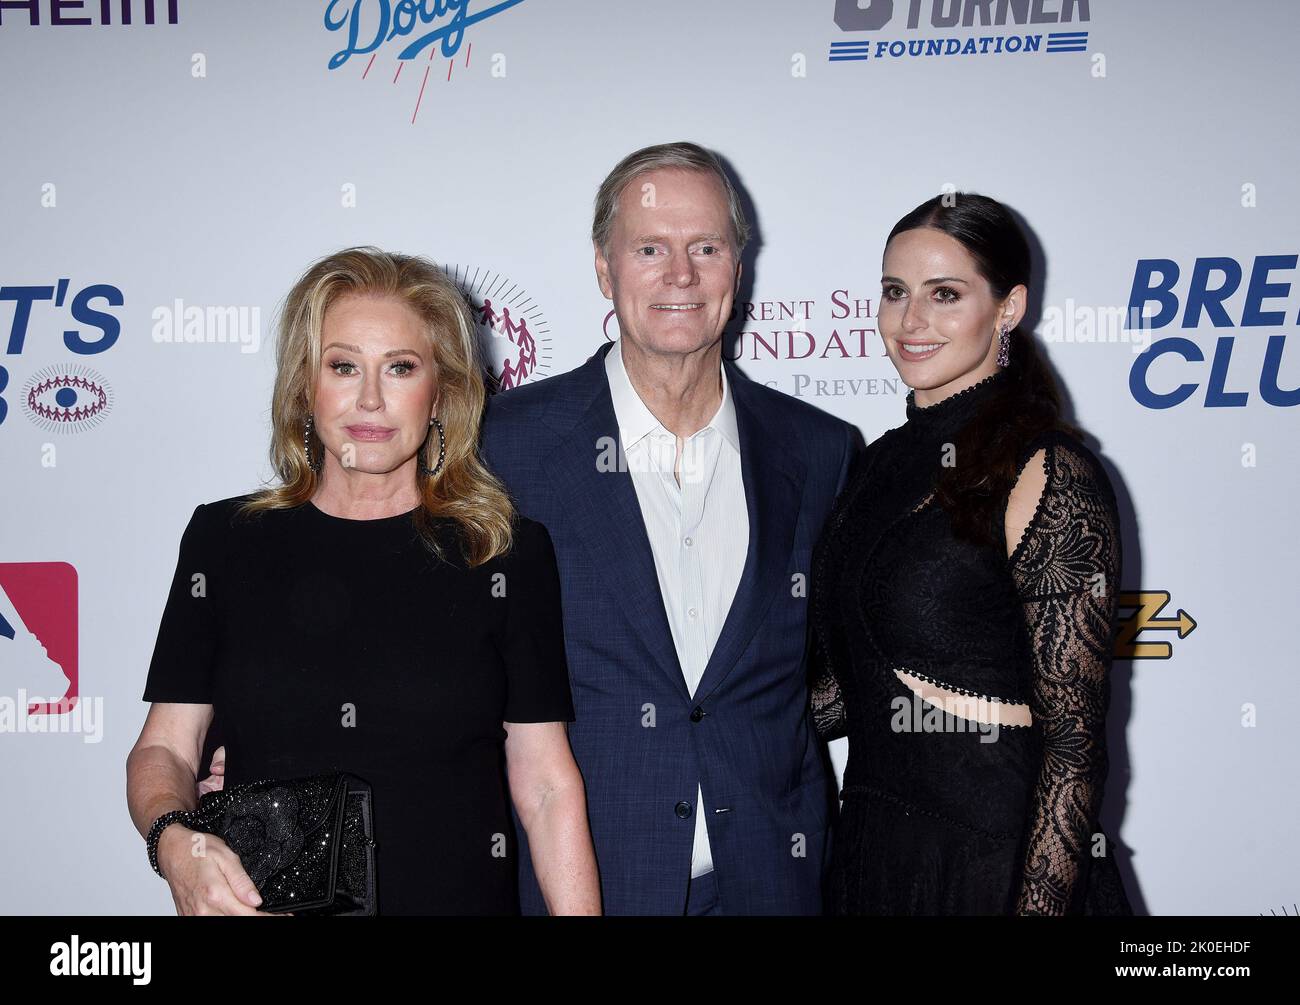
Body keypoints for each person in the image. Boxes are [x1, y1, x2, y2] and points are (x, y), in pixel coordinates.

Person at [125, 247, 600, 916]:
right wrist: (174, 842)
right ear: (303, 386)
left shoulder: (504, 552)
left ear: (442, 392)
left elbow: (546, 783)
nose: (370, 399)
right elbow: (165, 749)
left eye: (400, 368)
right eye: (343, 365)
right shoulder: (224, 541)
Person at [480, 142, 858, 915]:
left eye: (706, 248)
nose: (679, 274)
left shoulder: (820, 450)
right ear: (603, 267)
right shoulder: (507, 446)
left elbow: (840, 665)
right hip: (587, 886)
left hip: (773, 884)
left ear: (738, 268)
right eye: (650, 248)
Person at [807, 193, 1133, 915]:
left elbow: (1075, 747)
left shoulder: (1047, 471)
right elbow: (842, 693)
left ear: (1009, 307)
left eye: (944, 295)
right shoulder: (873, 464)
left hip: (993, 861)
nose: (910, 322)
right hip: (871, 853)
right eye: (895, 292)